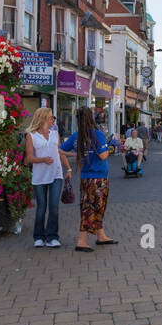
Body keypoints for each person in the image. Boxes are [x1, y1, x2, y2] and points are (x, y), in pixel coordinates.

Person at [61, 106, 115, 251]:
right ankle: (81, 241)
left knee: (90, 207)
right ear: (91, 117)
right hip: (99, 178)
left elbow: (61, 150)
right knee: (93, 208)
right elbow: (103, 155)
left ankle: (101, 235)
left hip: (85, 178)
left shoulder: (76, 136)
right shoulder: (98, 134)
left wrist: (78, 155)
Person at [23, 107, 68, 248]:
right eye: (50, 117)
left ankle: (52, 236)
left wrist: (69, 167)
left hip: (56, 173)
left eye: (53, 117)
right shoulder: (31, 135)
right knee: (41, 206)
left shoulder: (55, 134)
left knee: (54, 206)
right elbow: (29, 158)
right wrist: (42, 160)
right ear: (42, 118)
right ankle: (39, 236)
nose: (53, 119)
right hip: (39, 175)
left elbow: (60, 152)